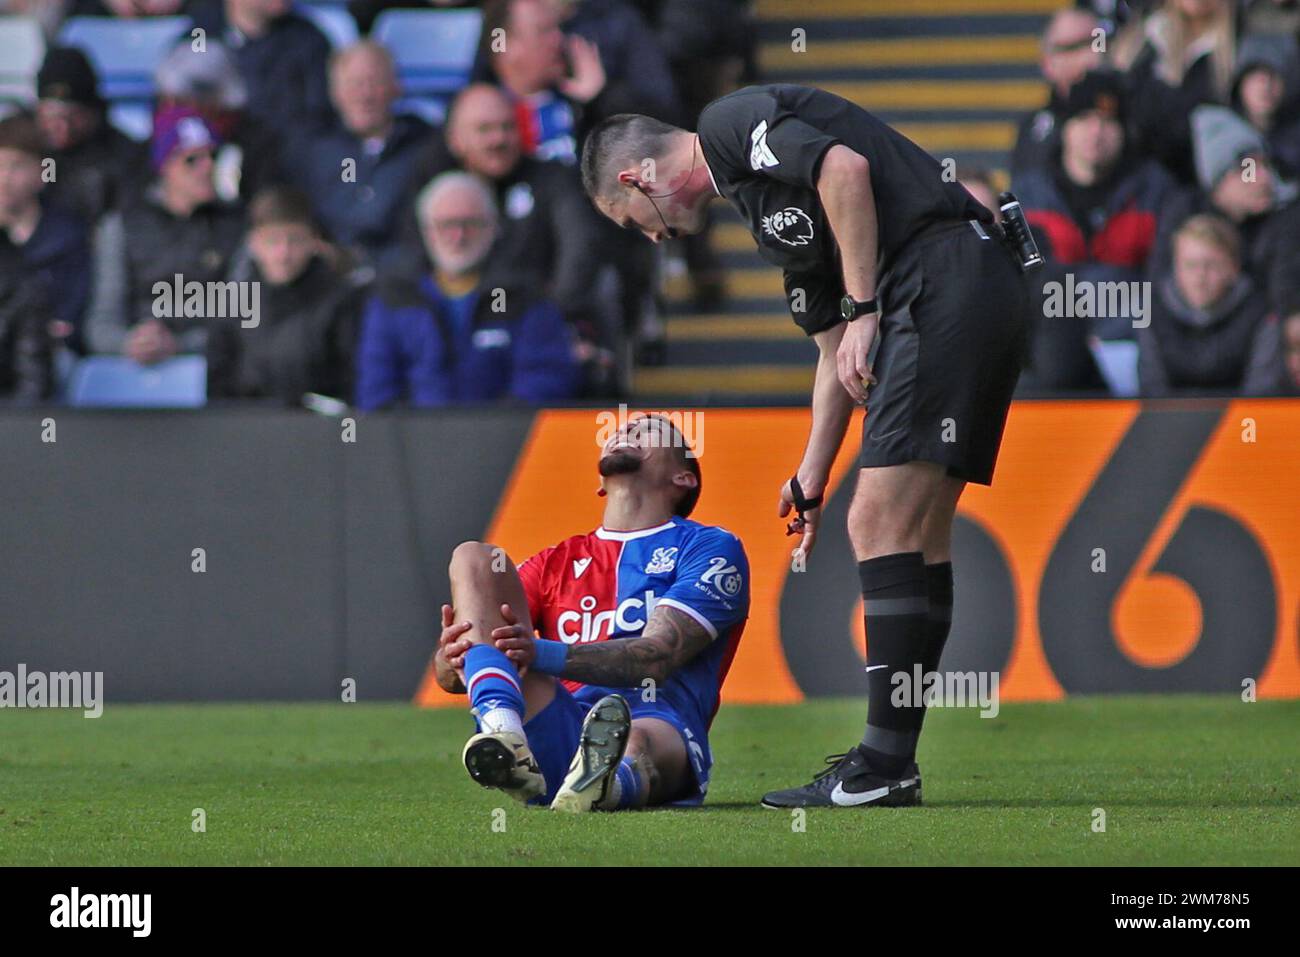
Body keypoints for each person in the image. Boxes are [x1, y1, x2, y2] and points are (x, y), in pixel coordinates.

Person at [580, 83, 1033, 808]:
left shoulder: (723, 125)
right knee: (918, 533)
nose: (651, 236)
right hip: (972, 284)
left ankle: (884, 766)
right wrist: (810, 478)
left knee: (880, 523)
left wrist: (863, 306)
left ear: (637, 179)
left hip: (941, 275)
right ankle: (893, 763)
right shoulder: (774, 225)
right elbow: (834, 357)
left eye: (630, 219)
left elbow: (845, 168)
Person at [432, 413, 749, 810]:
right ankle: (503, 733)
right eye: (622, 430)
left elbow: (658, 656)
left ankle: (604, 785)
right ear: (600, 485)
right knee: (474, 558)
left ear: (683, 478)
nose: (625, 430)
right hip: (557, 723)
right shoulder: (555, 562)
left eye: (649, 430)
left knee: (636, 736)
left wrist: (539, 652)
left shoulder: (709, 548)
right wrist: (453, 655)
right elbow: (449, 678)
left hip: (658, 723)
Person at [354, 171, 580, 408]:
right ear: (426, 231)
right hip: (412, 442)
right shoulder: (393, 297)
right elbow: (376, 393)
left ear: (493, 227)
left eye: (470, 223)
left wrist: (485, 434)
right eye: (446, 225)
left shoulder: (525, 296)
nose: (458, 236)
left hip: (506, 441)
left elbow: (543, 382)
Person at [85, 108, 245, 362]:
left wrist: (179, 345)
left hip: (216, 370)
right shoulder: (122, 226)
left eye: (213, 156)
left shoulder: (238, 226)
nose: (207, 167)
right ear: (165, 166)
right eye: (192, 160)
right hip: (132, 367)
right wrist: (130, 342)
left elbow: (242, 319)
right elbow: (100, 324)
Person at [207, 188, 366, 404]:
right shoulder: (232, 302)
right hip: (246, 427)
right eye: (273, 241)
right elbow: (218, 384)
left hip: (317, 427)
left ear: (313, 241)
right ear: (253, 243)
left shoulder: (341, 300)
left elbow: (353, 382)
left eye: (295, 240)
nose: (284, 254)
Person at [298, 41, 433, 269]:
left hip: (401, 277)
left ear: (396, 87)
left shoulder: (426, 147)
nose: (365, 94)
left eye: (375, 82)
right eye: (354, 84)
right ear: (335, 93)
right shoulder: (312, 152)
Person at [1138, 213, 1280, 395]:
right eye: (1190, 265)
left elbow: (1261, 393)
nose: (1200, 278)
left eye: (1211, 265)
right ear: (1175, 268)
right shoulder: (1151, 311)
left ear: (1233, 268)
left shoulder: (1260, 313)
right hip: (1169, 421)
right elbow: (1152, 390)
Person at [0, 113, 92, 355]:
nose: (4, 178)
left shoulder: (69, 237)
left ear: (42, 173)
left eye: (17, 165)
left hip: (50, 354)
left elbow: (75, 313)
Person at [34, 46, 147, 225]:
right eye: (51, 118)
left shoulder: (124, 155)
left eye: (74, 117)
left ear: (93, 112)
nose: (63, 128)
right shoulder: (25, 148)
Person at [1011, 7, 1107, 180]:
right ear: (1047, 63)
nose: (1091, 55)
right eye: (1073, 47)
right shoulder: (1034, 131)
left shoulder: (1133, 113)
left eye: (1096, 42)